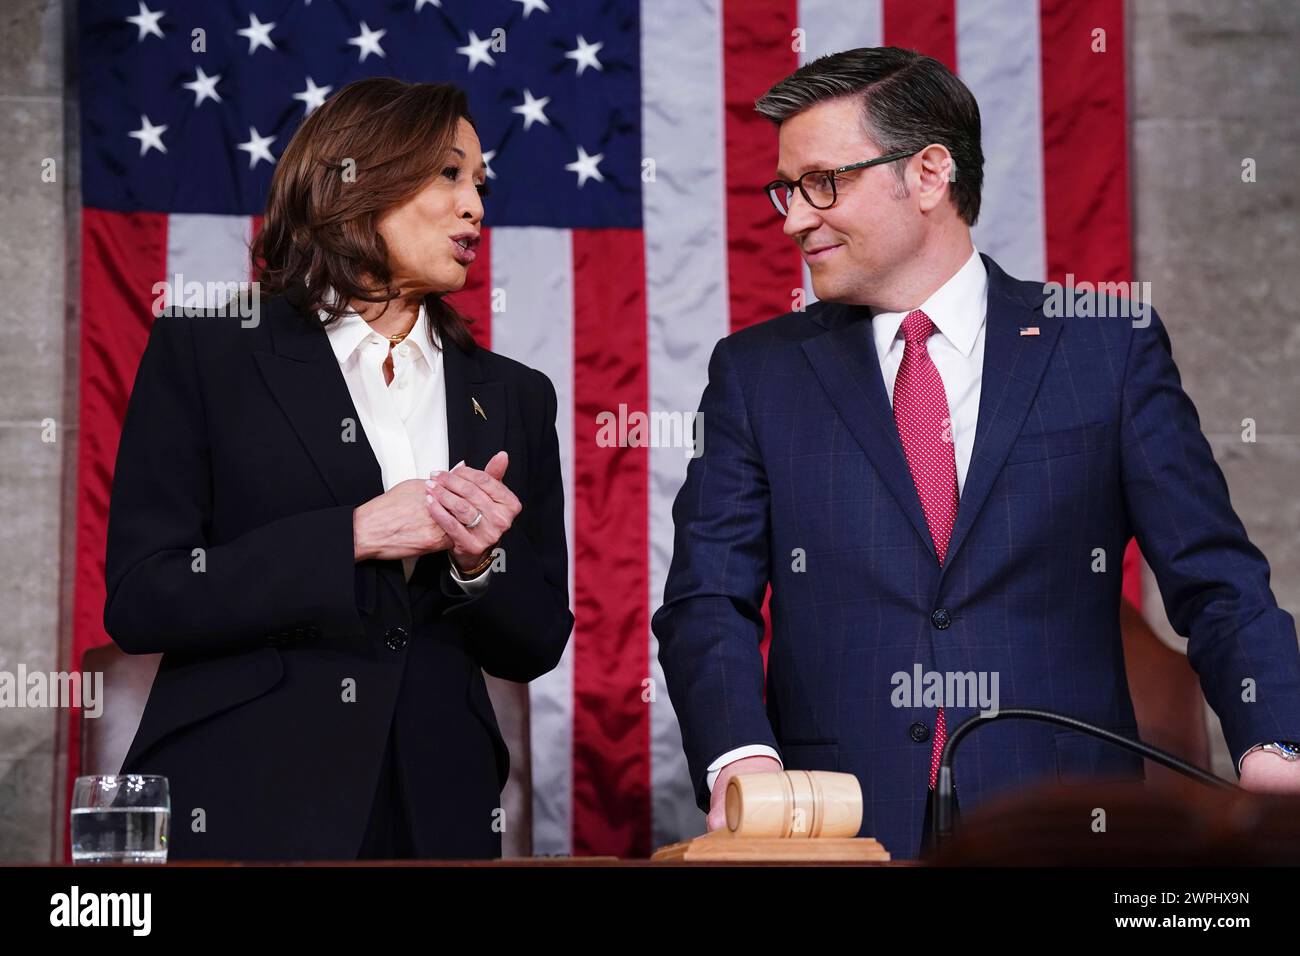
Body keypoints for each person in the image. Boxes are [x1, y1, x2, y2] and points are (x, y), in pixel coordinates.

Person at [651, 47, 1300, 860]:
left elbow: (1218, 582)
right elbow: (707, 601)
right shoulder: (757, 374)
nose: (792, 219)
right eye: (788, 189)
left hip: (1062, 824)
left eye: (824, 183)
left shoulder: (1105, 350)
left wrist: (1276, 751)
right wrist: (744, 762)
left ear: (928, 175)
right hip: (836, 825)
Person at [105, 78, 573, 861]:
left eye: (481, 185)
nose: (476, 208)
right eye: (450, 174)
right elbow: (144, 596)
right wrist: (349, 536)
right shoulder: (208, 352)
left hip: (436, 811)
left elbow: (535, 644)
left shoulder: (516, 395)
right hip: (242, 799)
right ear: (356, 183)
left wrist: (478, 562)